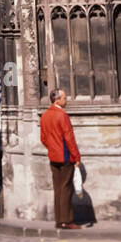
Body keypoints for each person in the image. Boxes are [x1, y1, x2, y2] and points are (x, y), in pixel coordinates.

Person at [39, 88, 82, 229]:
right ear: (57, 100)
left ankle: (59, 219)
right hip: (65, 156)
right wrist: (76, 156)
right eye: (64, 98)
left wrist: (52, 148)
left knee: (58, 188)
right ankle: (66, 220)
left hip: (53, 156)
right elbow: (69, 138)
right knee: (66, 188)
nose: (66, 100)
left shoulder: (45, 115)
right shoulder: (62, 116)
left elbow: (43, 138)